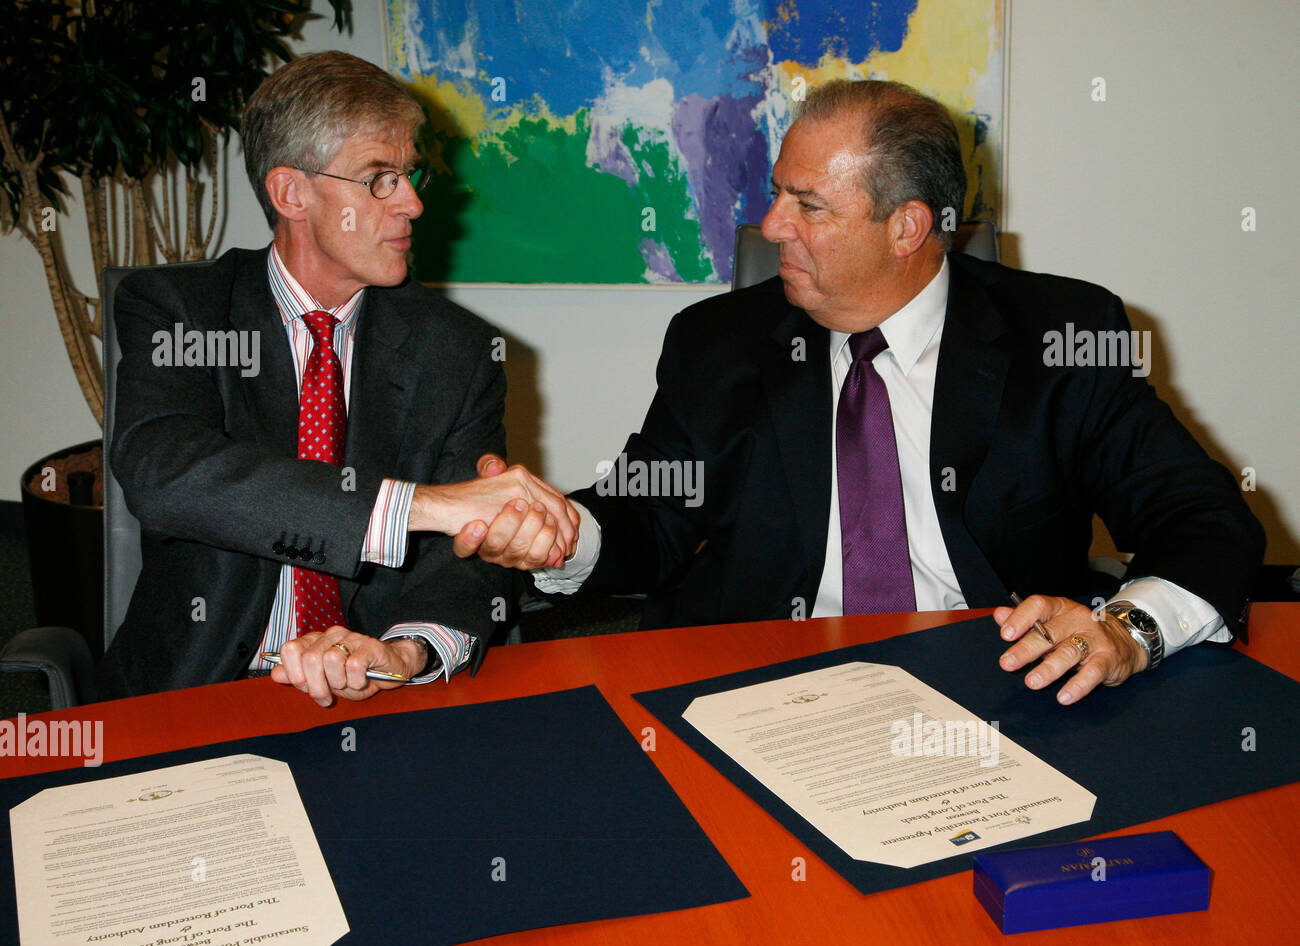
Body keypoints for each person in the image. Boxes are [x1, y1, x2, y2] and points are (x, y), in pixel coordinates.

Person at [458, 79, 1264, 706]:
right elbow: (654, 511)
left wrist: (1128, 630)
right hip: (758, 684)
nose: (772, 227)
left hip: (998, 682)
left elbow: (1203, 520)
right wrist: (566, 533)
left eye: (808, 205)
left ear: (907, 227)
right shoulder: (720, 341)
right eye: (779, 193)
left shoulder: (1061, 334)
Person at [99, 52, 576, 706]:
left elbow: (468, 560)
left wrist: (403, 652)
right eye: (379, 178)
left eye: (410, 174)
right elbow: (166, 468)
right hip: (202, 691)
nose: (411, 202)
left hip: (379, 693)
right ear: (291, 192)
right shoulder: (181, 309)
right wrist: (422, 505)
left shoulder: (456, 349)